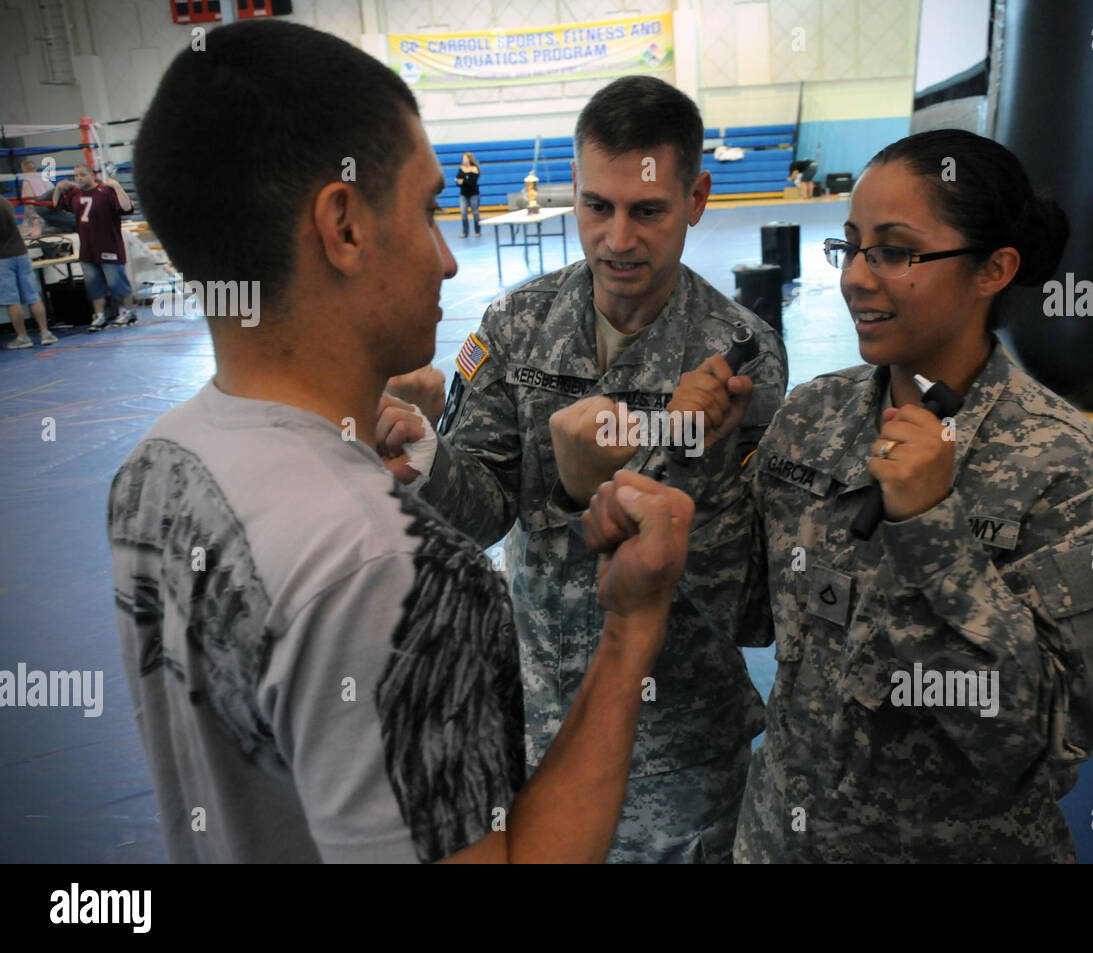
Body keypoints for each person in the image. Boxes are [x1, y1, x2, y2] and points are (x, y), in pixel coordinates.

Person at [115, 18, 694, 864]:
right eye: (427, 212)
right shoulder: (396, 572)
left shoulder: (157, 468)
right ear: (345, 226)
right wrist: (630, 631)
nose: (448, 260)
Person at [596, 129, 1093, 863]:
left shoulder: (1071, 472)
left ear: (994, 268)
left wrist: (932, 531)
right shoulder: (814, 416)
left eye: (896, 251)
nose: (856, 279)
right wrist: (699, 461)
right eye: (852, 247)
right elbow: (750, 608)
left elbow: (1045, 742)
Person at [377, 75, 788, 863]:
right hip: (544, 723)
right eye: (597, 207)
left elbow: (750, 602)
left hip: (679, 748)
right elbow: (484, 508)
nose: (618, 239)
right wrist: (424, 451)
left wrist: (691, 460)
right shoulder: (517, 324)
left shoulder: (743, 353)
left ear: (697, 197)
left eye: (648, 211)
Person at [51, 164, 136, 330]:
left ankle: (128, 312)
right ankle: (99, 316)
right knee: (93, 285)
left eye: (82, 175)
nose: (79, 178)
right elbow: (56, 205)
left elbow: (127, 207)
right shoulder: (75, 194)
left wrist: (117, 186)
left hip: (109, 246)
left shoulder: (106, 191)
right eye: (76, 175)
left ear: (91, 175)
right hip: (88, 249)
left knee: (117, 283)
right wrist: (58, 188)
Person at [1, 197, 57, 347]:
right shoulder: (5, 202)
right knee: (33, 295)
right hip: (21, 253)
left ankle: (22, 337)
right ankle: (45, 333)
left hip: (3, 258)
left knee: (12, 300)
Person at [456, 152, 481, 238]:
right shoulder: (461, 169)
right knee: (463, 213)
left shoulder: (474, 169)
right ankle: (465, 232)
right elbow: (458, 181)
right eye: (463, 158)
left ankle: (477, 231)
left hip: (473, 194)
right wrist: (461, 182)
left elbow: (472, 182)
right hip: (463, 194)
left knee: (475, 213)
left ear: (469, 159)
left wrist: (463, 181)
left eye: (465, 158)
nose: (463, 160)